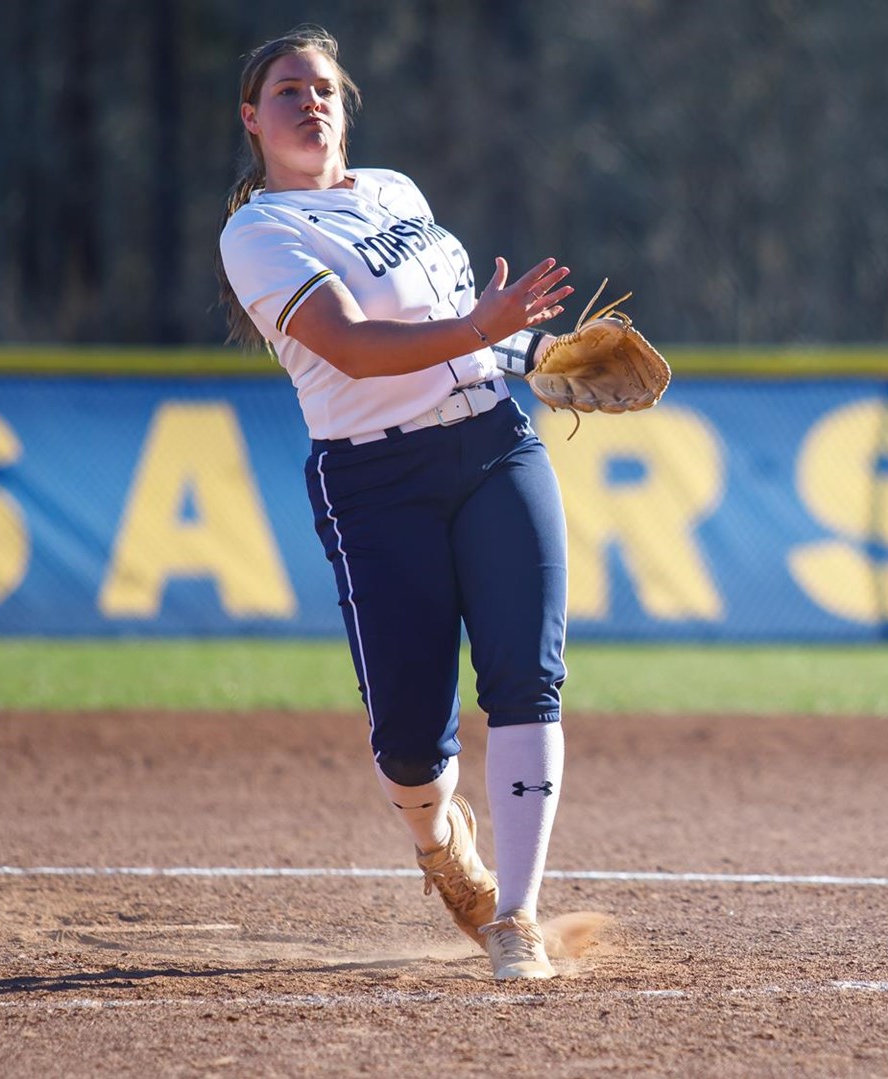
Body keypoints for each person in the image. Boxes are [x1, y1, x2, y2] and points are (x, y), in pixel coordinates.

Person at [217, 25, 576, 981]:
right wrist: (481, 324)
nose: (311, 101)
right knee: (412, 742)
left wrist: (534, 356)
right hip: (376, 484)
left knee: (526, 679)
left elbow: (457, 344)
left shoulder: (396, 192)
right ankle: (436, 840)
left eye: (324, 85)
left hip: (496, 444)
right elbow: (357, 348)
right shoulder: (258, 231)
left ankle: (517, 917)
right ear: (252, 119)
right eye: (287, 89)